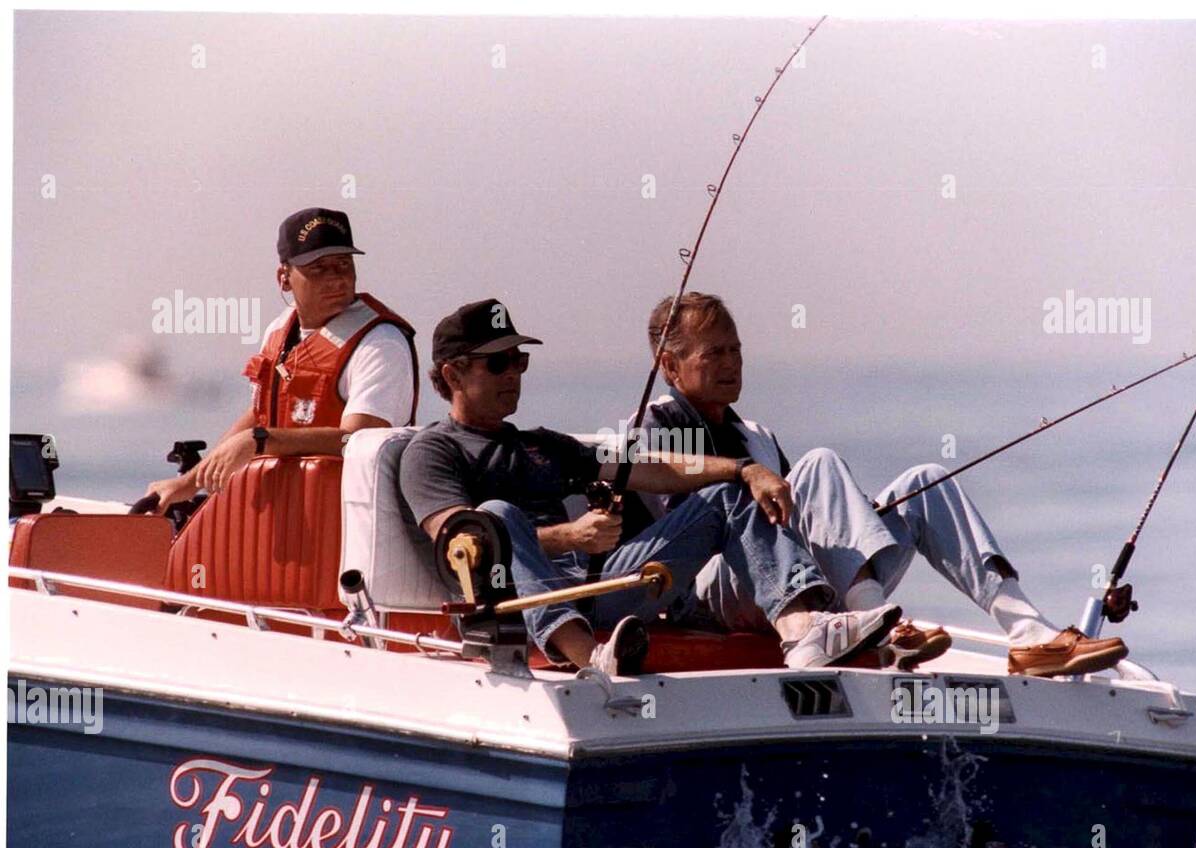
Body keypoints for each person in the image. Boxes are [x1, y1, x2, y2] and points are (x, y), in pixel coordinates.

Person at [398, 298, 907, 675]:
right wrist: (570, 536)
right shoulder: (431, 451)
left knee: (724, 498)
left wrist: (741, 470)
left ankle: (802, 632)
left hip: (602, 586)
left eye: (520, 361)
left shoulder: (545, 444)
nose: (514, 374)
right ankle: (588, 658)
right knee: (497, 514)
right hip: (519, 601)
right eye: (498, 363)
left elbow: (653, 469)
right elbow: (464, 545)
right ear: (453, 374)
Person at [634, 292, 1128, 679]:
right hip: (714, 591)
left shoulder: (755, 435)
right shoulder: (652, 431)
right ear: (671, 366)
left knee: (926, 481)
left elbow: (796, 517)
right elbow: (698, 525)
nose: (730, 363)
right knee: (821, 462)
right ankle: (877, 623)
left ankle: (1027, 632)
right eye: (713, 353)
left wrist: (855, 516)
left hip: (795, 585)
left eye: (736, 350)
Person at [143, 207, 419, 511]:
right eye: (318, 268)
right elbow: (258, 415)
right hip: (285, 519)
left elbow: (358, 441)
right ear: (284, 278)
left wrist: (261, 440)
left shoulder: (380, 343)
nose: (336, 279)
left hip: (353, 521)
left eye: (343, 264)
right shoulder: (279, 331)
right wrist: (187, 483)